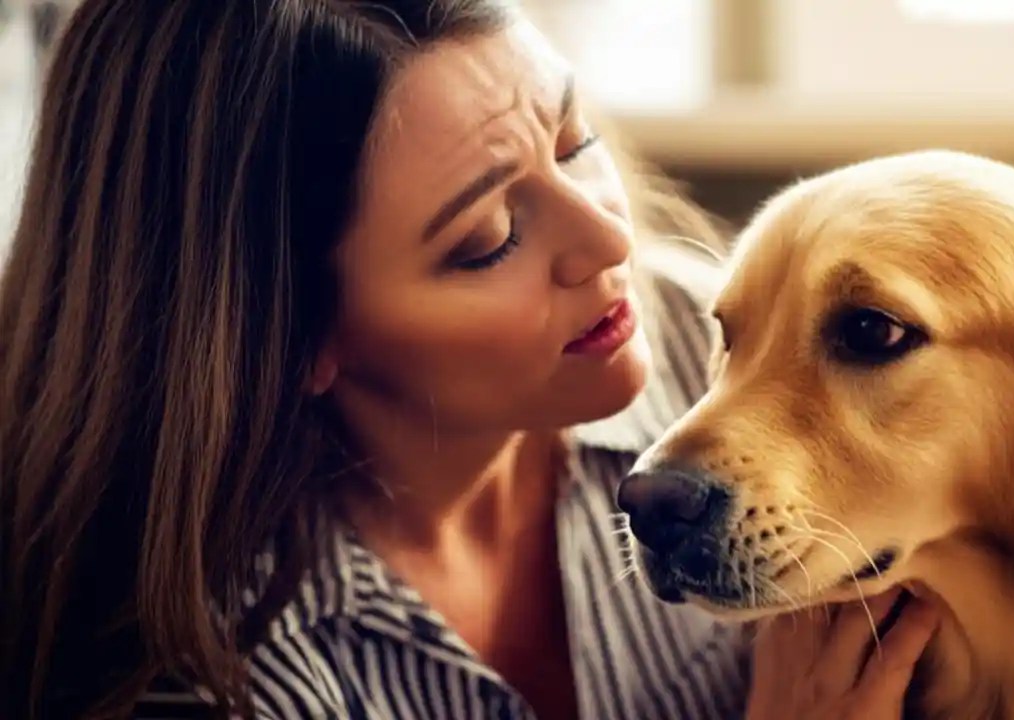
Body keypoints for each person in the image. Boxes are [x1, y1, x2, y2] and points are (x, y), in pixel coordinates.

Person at [0, 1, 940, 718]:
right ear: (289, 339)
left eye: (577, 144)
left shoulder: (727, 343)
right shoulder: (207, 678)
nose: (610, 241)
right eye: (489, 238)